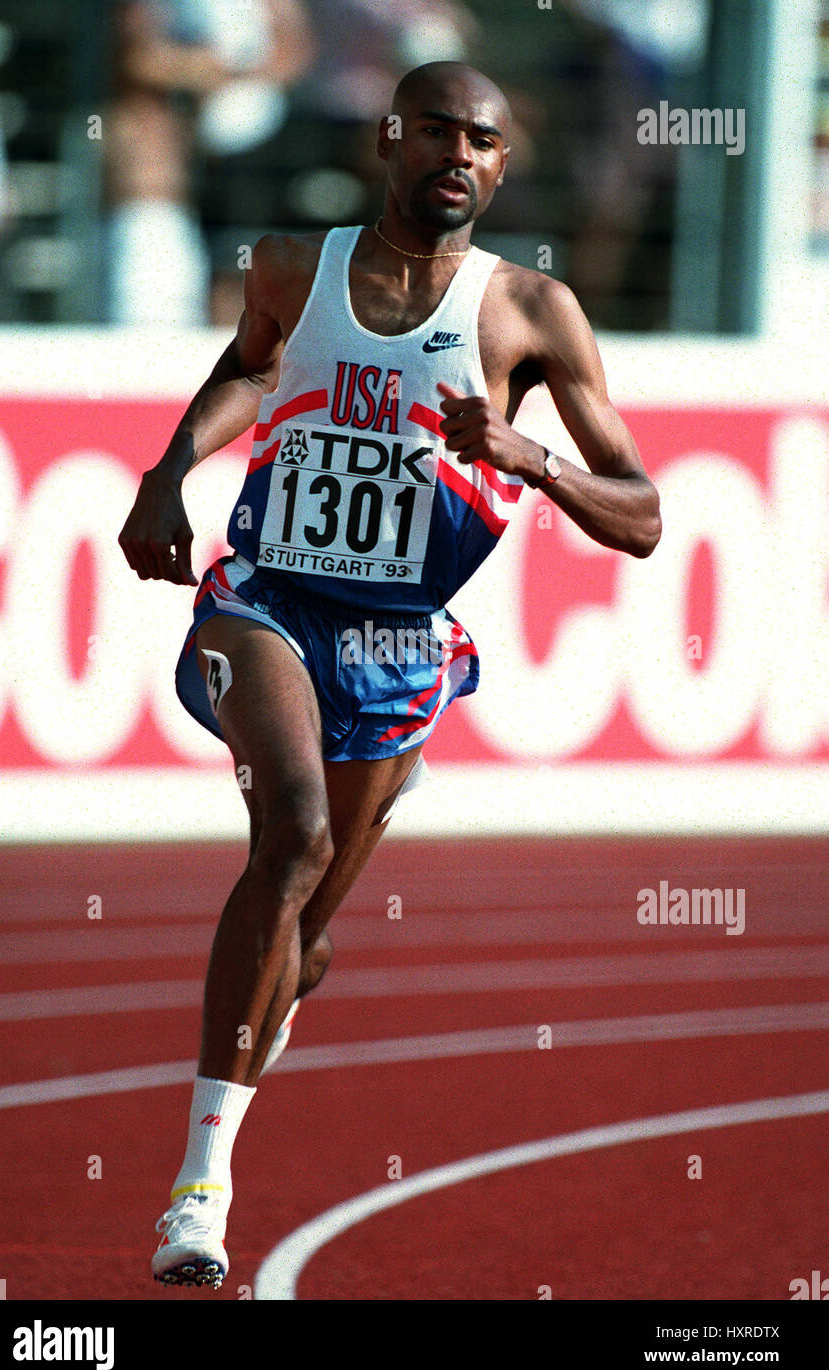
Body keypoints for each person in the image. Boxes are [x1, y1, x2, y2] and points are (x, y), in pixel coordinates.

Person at [118, 59, 661, 1290]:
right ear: (388, 136)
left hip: (398, 640)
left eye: (480, 138)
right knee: (292, 831)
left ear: (502, 164)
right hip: (263, 597)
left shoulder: (530, 310)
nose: (455, 155)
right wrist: (167, 475)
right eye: (434, 131)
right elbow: (253, 370)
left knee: (300, 939)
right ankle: (198, 1195)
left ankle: (279, 978)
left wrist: (530, 458)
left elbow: (642, 516)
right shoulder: (289, 269)